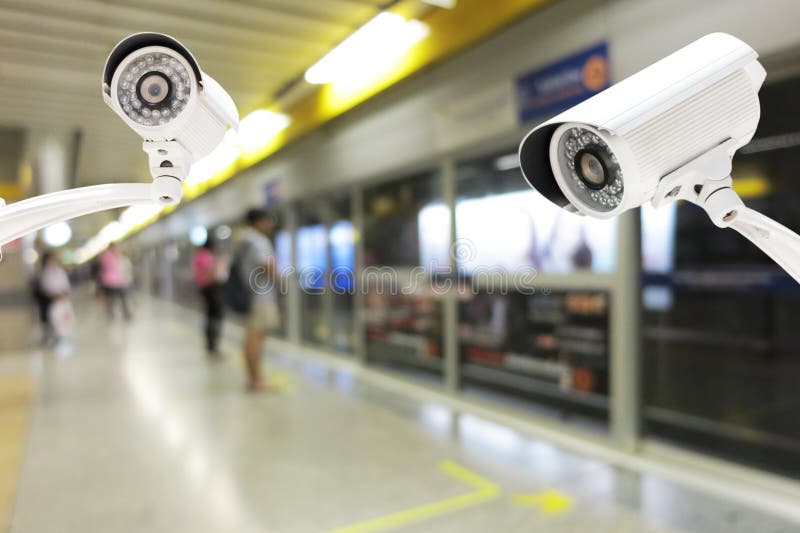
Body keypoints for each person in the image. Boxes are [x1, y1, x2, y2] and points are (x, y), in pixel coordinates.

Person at [237, 209, 279, 391]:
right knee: (256, 337)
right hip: (260, 295)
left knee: (251, 336)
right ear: (259, 222)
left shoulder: (243, 240)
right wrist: (280, 278)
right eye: (267, 221)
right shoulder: (258, 241)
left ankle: (253, 378)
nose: (269, 225)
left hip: (249, 294)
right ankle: (256, 380)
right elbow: (267, 265)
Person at [193, 236, 225, 356]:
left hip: (204, 288)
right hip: (211, 288)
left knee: (209, 315)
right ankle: (213, 344)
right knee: (215, 316)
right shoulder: (206, 256)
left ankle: (210, 343)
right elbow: (210, 273)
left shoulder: (199, 255)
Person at [39, 252, 72, 343]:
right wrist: (55, 295)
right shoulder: (45, 272)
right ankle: (51, 336)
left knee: (61, 318)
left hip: (62, 298)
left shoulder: (59, 270)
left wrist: (64, 294)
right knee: (51, 319)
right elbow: (46, 287)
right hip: (50, 300)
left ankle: (59, 335)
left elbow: (66, 284)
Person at [98, 243, 132, 320]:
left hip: (118, 280)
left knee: (122, 298)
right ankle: (112, 314)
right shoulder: (106, 256)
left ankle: (125, 313)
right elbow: (106, 268)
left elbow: (120, 267)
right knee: (111, 299)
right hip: (109, 281)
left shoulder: (116, 255)